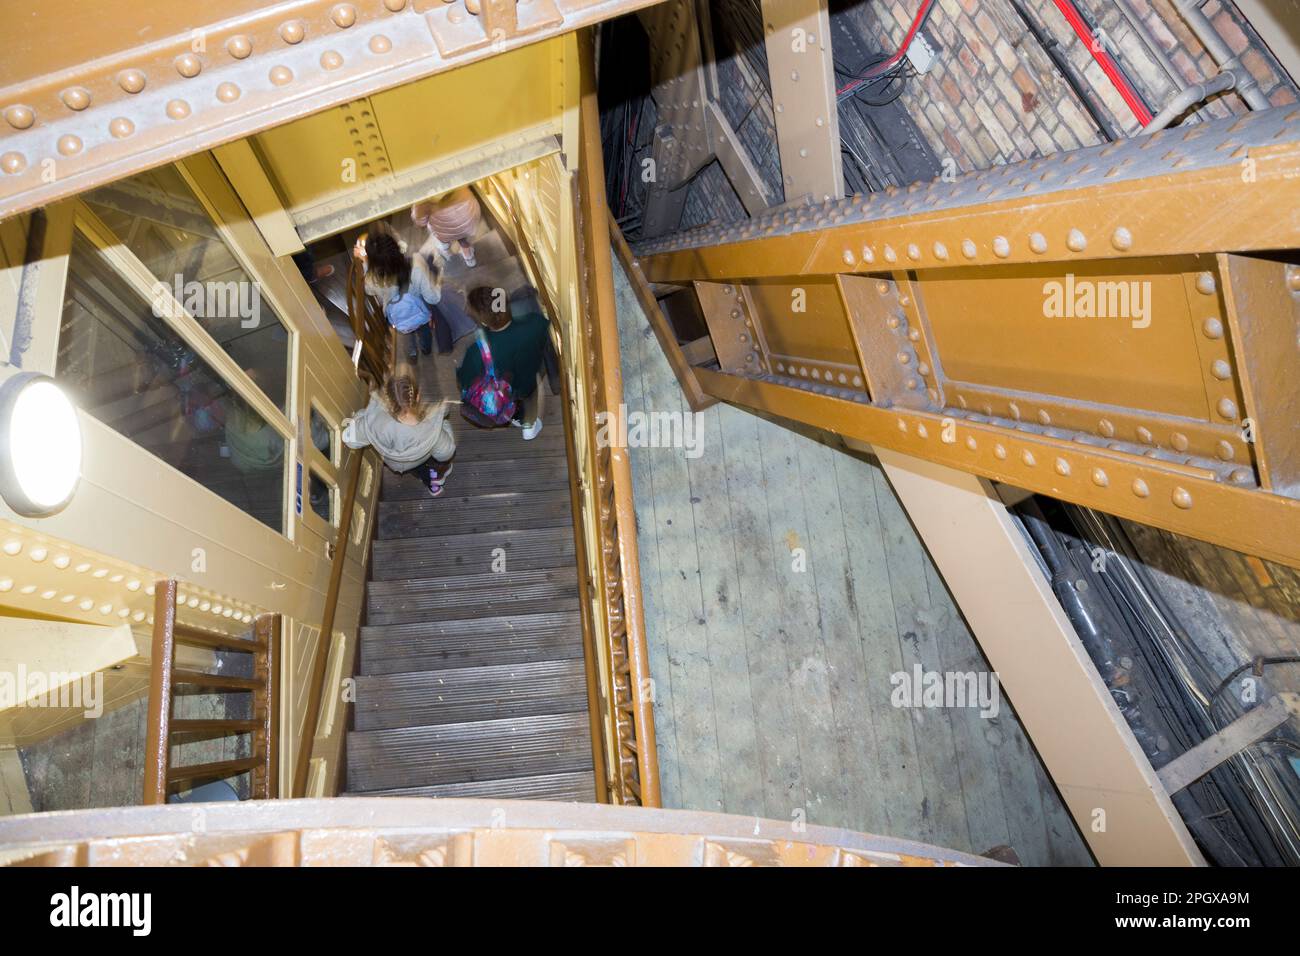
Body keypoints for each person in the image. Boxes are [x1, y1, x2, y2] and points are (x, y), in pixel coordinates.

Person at [342, 371, 457, 496]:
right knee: (428, 469)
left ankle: (429, 479)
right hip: (420, 458)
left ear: (387, 399)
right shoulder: (432, 429)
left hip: (394, 462)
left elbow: (349, 439)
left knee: (416, 470)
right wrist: (442, 423)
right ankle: (434, 486)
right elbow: (446, 453)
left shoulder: (374, 423)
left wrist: (363, 415)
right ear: (417, 397)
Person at [456, 286, 549, 440]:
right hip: (524, 380)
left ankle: (514, 416)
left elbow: (464, 378)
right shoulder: (534, 324)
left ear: (484, 322)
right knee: (532, 388)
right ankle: (529, 425)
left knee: (511, 396)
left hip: (501, 392)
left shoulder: (476, 349)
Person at [354, 222, 443, 362]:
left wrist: (365, 263)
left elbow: (369, 291)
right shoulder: (416, 265)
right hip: (420, 313)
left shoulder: (372, 278)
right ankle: (426, 349)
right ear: (395, 247)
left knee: (406, 334)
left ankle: (412, 353)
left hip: (397, 317)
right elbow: (433, 298)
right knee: (424, 331)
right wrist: (439, 280)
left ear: (372, 259)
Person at [412, 187, 481, 268]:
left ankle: (446, 251)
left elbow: (420, 221)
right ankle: (469, 258)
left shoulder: (423, 200)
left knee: (441, 236)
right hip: (469, 221)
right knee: (462, 238)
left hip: (445, 231)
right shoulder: (458, 182)